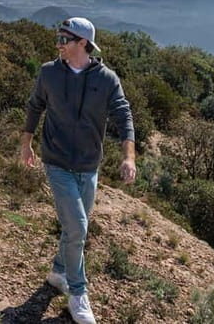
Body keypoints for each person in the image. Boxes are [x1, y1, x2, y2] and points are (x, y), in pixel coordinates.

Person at [20, 17, 136, 324]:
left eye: (64, 39)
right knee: (78, 229)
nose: (58, 44)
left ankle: (58, 272)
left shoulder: (107, 79)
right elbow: (35, 107)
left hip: (89, 165)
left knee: (75, 229)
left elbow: (124, 116)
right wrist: (26, 144)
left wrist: (129, 157)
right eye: (58, 38)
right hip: (56, 161)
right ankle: (78, 293)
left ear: (83, 43)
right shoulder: (48, 72)